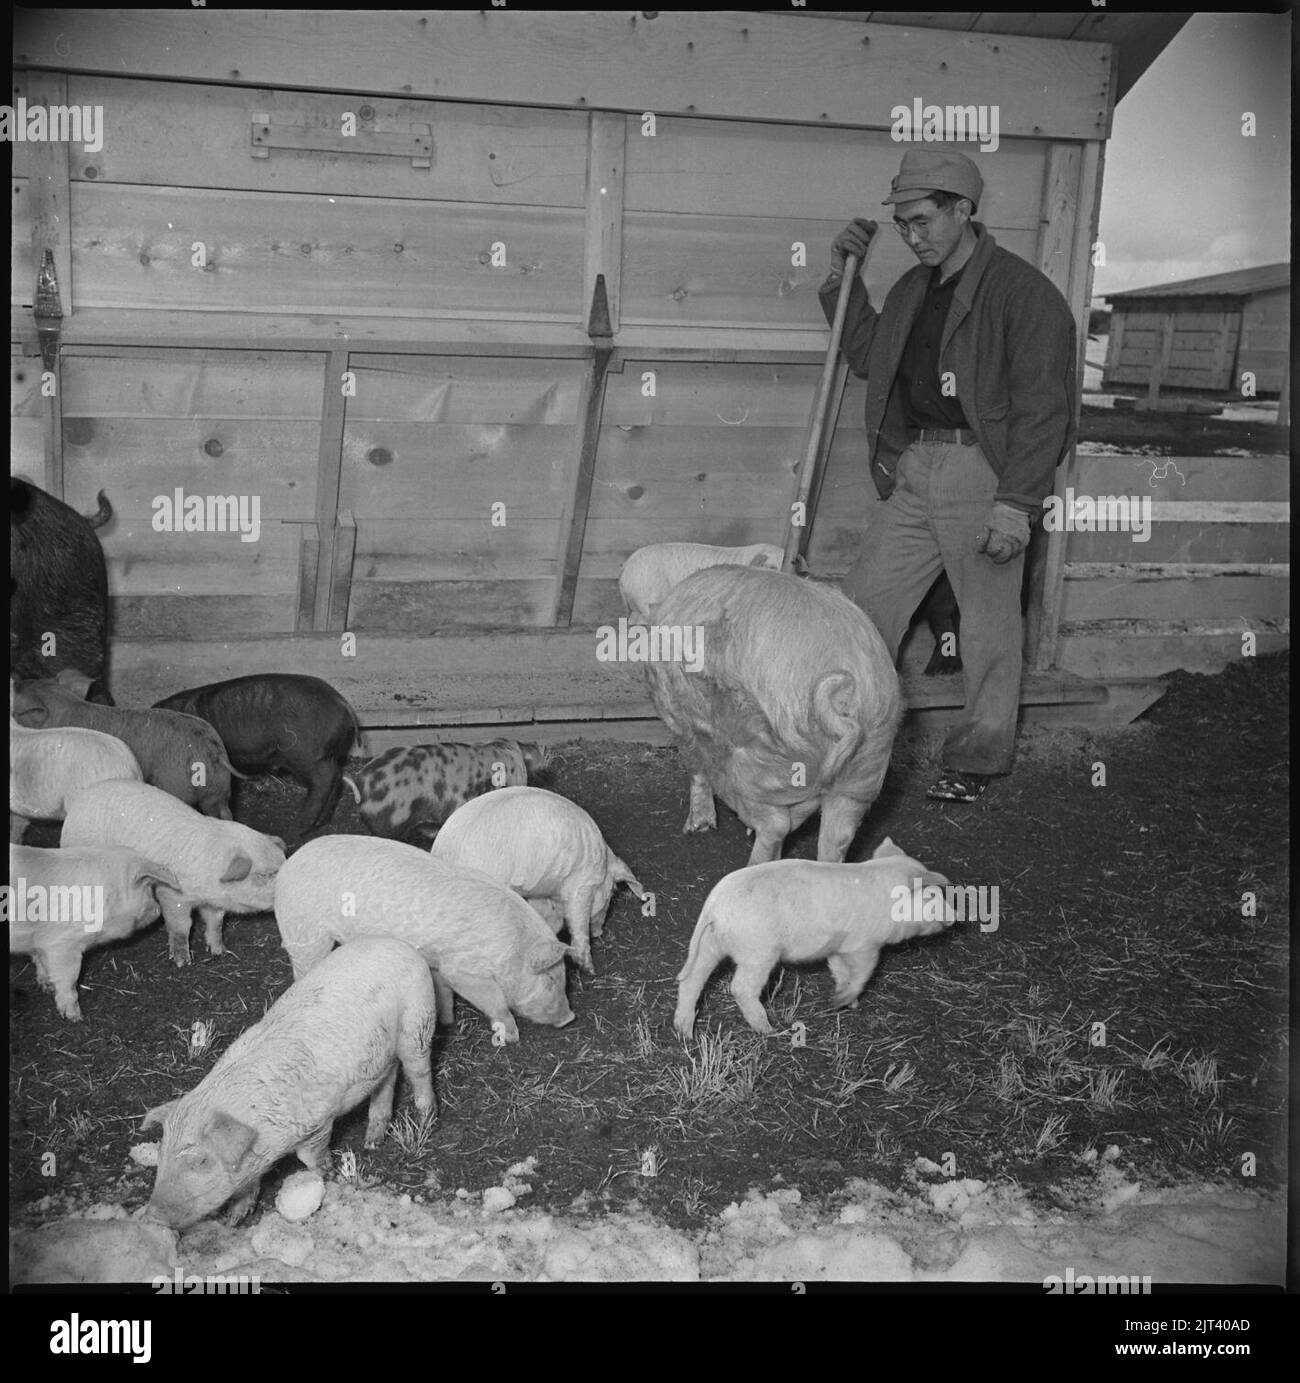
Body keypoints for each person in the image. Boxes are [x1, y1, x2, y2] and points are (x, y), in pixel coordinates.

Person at [821, 148, 1077, 802]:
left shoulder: (1024, 294)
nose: (912, 235)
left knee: (990, 626)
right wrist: (839, 280)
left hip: (984, 472)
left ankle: (977, 761)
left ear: (963, 210)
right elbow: (867, 358)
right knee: (861, 608)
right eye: (903, 225)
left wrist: (1016, 502)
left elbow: (1045, 410)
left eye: (923, 220)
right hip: (919, 465)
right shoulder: (910, 290)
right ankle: (838, 741)